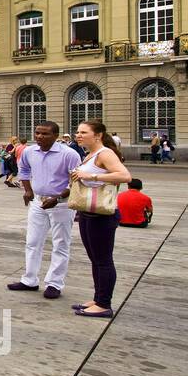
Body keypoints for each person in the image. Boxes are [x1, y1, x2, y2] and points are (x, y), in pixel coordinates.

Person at [8, 120, 80, 300]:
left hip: (61, 205)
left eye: (45, 133)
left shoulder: (69, 154)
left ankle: (54, 283)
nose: (39, 136)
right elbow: (24, 170)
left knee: (60, 244)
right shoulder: (29, 151)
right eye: (37, 133)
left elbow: (76, 182)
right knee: (32, 242)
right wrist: (28, 190)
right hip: (38, 202)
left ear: (56, 136)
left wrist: (58, 198)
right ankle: (29, 280)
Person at [70, 120, 132, 318]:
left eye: (83, 132)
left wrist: (92, 176)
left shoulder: (105, 153)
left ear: (97, 135)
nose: (78, 135)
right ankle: (98, 299)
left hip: (102, 215)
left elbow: (125, 176)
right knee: (95, 259)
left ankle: (104, 304)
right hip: (88, 212)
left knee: (103, 260)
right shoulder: (90, 154)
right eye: (77, 132)